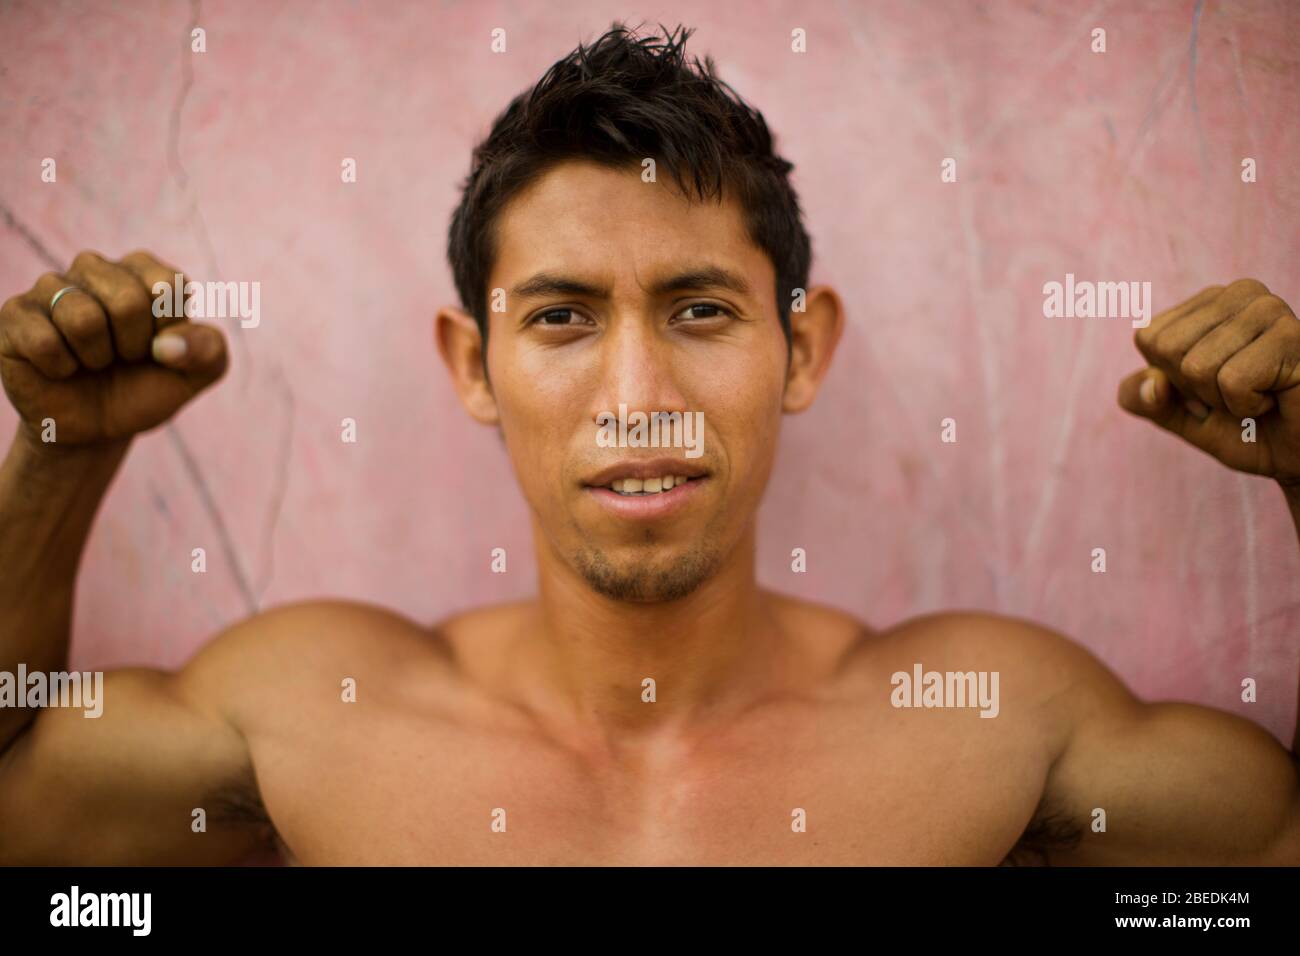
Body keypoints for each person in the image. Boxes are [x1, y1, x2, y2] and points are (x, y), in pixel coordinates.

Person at [0, 23, 1296, 866]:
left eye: (701, 310)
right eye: (561, 318)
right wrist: (62, 451)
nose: (637, 398)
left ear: (802, 349)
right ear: (474, 366)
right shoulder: (306, 708)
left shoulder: (995, 722)